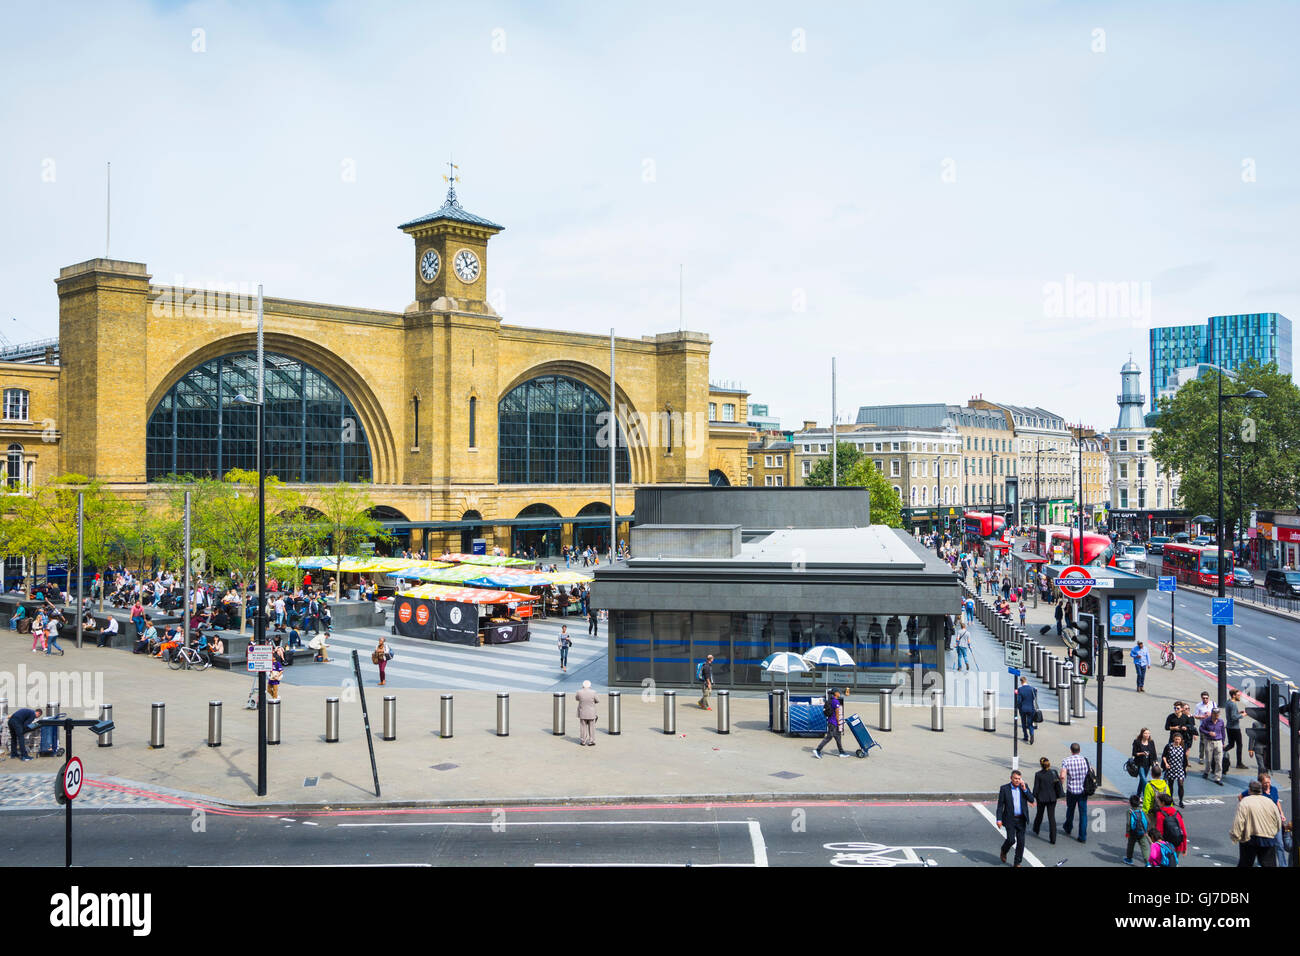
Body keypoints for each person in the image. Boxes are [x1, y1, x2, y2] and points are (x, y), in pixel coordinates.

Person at [1230, 780, 1282, 867]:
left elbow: (1239, 821)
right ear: (1260, 790)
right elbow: (1278, 820)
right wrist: (1273, 832)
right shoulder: (1270, 802)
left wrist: (1235, 835)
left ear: (1250, 790)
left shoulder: (1245, 802)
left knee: (1245, 863)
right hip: (1267, 837)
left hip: (1249, 838)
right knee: (1269, 864)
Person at [1240, 772, 1288, 866]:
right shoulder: (1257, 791)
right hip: (1265, 821)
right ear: (1260, 783)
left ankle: (1283, 865)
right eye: (1265, 783)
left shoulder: (1274, 789)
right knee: (1263, 843)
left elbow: (1277, 801)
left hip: (1275, 819)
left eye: (1269, 782)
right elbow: (1241, 796)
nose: (1267, 784)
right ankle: (1261, 862)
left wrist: (1281, 813)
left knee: (1279, 844)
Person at [996, 769, 1035, 866]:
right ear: (1011, 778)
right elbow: (1000, 806)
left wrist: (1025, 789)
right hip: (1010, 819)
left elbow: (1031, 799)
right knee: (1011, 840)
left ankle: (1017, 863)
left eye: (1019, 778)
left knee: (1021, 842)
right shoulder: (1004, 789)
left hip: (1021, 819)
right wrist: (999, 819)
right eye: (1015, 778)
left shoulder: (1023, 787)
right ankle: (1004, 850)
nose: (1017, 780)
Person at [1060, 742, 1091, 844]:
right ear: (1079, 750)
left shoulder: (1066, 761)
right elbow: (1090, 772)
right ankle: (1082, 836)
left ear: (1071, 750)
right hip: (1083, 791)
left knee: (1070, 809)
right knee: (1083, 814)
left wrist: (1060, 786)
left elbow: (1063, 776)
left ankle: (1068, 827)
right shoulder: (1085, 760)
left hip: (1072, 791)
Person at [812, 689, 849, 759]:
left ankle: (841, 752)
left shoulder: (831, 700)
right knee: (829, 737)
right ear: (835, 693)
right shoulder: (835, 701)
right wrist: (838, 722)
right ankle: (817, 750)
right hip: (833, 722)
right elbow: (837, 713)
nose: (840, 694)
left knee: (838, 737)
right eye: (839, 692)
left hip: (831, 721)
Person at [1031, 757, 1061, 844]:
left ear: (1041, 765)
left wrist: (1033, 797)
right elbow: (1057, 785)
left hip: (1041, 798)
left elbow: (1036, 788)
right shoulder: (1054, 772)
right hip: (1052, 798)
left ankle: (1036, 829)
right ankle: (1053, 838)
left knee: (1039, 814)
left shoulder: (1038, 774)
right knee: (1051, 817)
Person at [1151, 791, 1188, 861]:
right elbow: (1183, 832)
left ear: (1163, 803)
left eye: (1158, 802)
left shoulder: (1160, 814)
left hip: (1166, 846)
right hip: (1178, 845)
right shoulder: (1177, 813)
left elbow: (1159, 832)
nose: (1158, 803)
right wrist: (1184, 847)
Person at [1199, 707, 1226, 785]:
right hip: (1209, 741)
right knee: (1208, 759)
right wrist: (1208, 733)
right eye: (1215, 714)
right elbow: (1201, 729)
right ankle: (1206, 771)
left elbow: (1223, 732)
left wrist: (1223, 742)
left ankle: (1217, 777)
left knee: (1219, 761)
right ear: (1212, 714)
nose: (1217, 715)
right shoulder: (1206, 721)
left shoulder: (1221, 721)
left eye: (1218, 713)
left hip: (1219, 742)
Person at [1161, 732, 1188, 808]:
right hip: (1171, 768)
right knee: (1170, 785)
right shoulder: (1169, 746)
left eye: (1179, 739)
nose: (1177, 741)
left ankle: (1181, 801)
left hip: (1179, 768)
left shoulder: (1183, 747)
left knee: (1181, 784)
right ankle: (1170, 800)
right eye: (1176, 739)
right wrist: (1166, 763)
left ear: (1181, 740)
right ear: (1173, 739)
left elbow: (1185, 758)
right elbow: (1164, 756)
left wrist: (1185, 767)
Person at [1123, 794, 1151, 866]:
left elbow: (1128, 823)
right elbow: (1148, 821)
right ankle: (1147, 862)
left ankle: (1129, 859)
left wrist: (1127, 833)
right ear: (1139, 802)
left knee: (1131, 845)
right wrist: (1146, 830)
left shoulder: (1129, 811)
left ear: (1130, 803)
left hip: (1133, 832)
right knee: (1144, 847)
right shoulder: (1142, 811)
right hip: (1142, 832)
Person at [1131, 727, 1157, 799]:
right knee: (1144, 780)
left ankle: (1138, 796)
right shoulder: (1137, 742)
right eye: (1145, 733)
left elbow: (1154, 752)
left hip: (1148, 764)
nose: (1147, 735)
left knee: (1142, 780)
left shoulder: (1151, 742)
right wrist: (1142, 753)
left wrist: (1156, 761)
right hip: (1139, 764)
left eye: (1148, 733)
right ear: (1142, 734)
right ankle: (1146, 797)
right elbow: (1134, 753)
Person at [1191, 691, 1215, 765]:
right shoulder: (1198, 705)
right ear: (1201, 698)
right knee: (1202, 742)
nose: (1205, 699)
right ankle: (1201, 757)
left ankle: (1211, 757)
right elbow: (1195, 715)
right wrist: (1203, 717)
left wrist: (1210, 714)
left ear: (1208, 698)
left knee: (1212, 742)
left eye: (1206, 698)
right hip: (1203, 726)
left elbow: (1217, 713)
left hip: (1212, 726)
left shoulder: (1213, 704)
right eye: (1203, 698)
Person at [1225, 688, 1245, 769]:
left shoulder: (1228, 702)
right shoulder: (1233, 704)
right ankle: (1239, 763)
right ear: (1234, 695)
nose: (1239, 696)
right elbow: (1233, 717)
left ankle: (1220, 752)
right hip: (1235, 728)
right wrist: (1242, 715)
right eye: (1238, 695)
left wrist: (1238, 712)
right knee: (1239, 745)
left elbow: (1231, 714)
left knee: (1231, 744)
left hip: (1229, 727)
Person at [1015, 676, 1038, 744]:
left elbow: (1019, 701)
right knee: (1030, 723)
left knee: (1023, 723)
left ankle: (1025, 736)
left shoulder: (1020, 689)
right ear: (1026, 681)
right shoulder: (1032, 689)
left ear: (1021, 681)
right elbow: (1034, 698)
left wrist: (1019, 707)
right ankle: (1032, 734)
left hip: (1023, 709)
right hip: (1031, 708)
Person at [575, 679, 599, 746]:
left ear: (583, 685)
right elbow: (597, 700)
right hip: (591, 712)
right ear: (590, 686)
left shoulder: (579, 692)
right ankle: (591, 741)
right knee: (592, 727)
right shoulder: (593, 692)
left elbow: (577, 699)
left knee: (583, 726)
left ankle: (583, 741)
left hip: (582, 712)